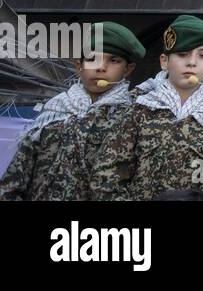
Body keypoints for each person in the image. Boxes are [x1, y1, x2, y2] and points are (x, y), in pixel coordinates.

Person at [93, 15, 203, 200]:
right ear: (164, 61)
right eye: (182, 54)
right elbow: (107, 170)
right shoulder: (141, 108)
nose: (192, 62)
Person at [0, 22, 144, 200]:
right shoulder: (53, 114)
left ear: (128, 69)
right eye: (92, 59)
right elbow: (13, 184)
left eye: (114, 61)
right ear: (79, 67)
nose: (101, 68)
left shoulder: (132, 118)